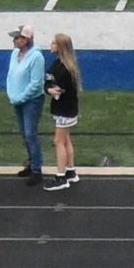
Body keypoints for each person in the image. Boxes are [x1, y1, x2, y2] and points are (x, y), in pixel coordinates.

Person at [6, 25, 45, 185]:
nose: (14, 40)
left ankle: (37, 169)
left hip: (31, 101)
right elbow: (11, 76)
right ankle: (31, 163)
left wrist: (21, 97)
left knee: (30, 134)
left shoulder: (36, 57)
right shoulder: (15, 54)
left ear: (26, 39)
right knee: (24, 134)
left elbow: (36, 83)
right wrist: (12, 94)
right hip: (18, 100)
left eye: (17, 38)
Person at [42, 33, 81, 191]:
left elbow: (56, 89)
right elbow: (48, 83)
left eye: (53, 43)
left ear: (60, 47)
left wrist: (49, 89)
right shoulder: (60, 64)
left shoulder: (65, 69)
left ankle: (61, 177)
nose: (50, 45)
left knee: (58, 142)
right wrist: (48, 88)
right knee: (66, 140)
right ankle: (70, 171)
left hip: (65, 109)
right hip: (65, 108)